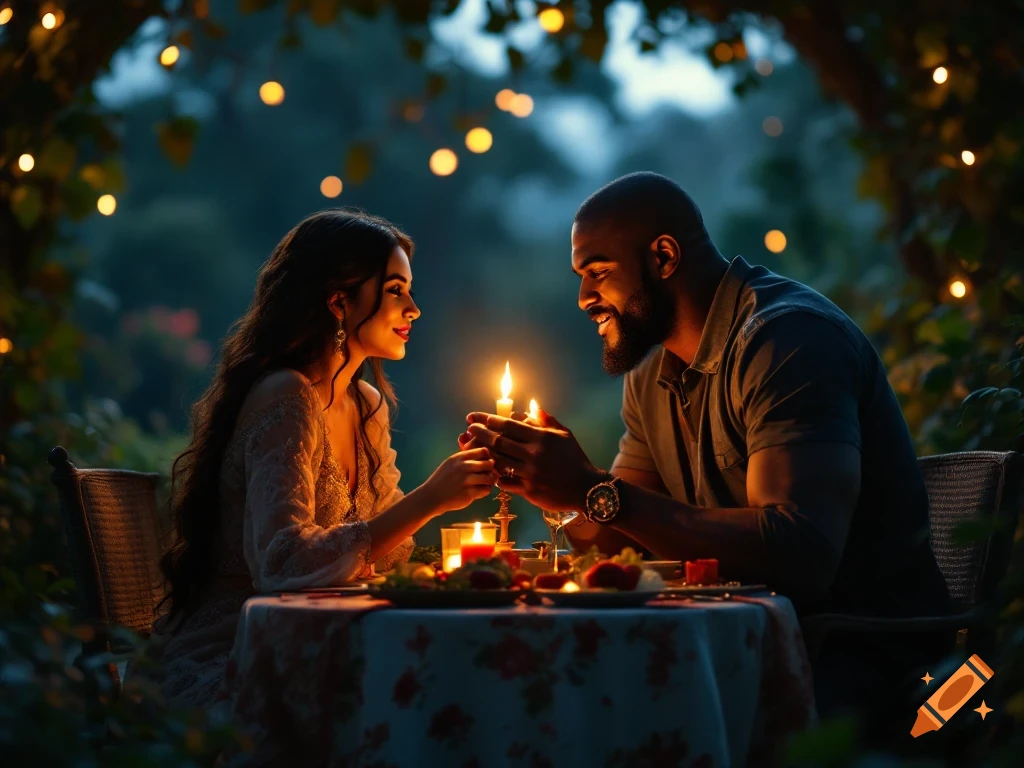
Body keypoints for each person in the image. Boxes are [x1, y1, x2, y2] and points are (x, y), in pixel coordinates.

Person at [461, 172, 952, 743]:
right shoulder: (650, 369)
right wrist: (554, 486)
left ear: (664, 256)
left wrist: (594, 490)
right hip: (735, 645)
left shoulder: (788, 340)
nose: (583, 298)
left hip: (860, 661)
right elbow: (623, 535)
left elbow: (803, 554)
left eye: (597, 273)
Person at [152, 209, 495, 710]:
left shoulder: (366, 405)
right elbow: (282, 563)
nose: (414, 309)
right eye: (396, 290)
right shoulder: (285, 395)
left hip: (325, 647)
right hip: (240, 656)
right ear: (339, 302)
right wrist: (431, 500)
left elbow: (386, 552)